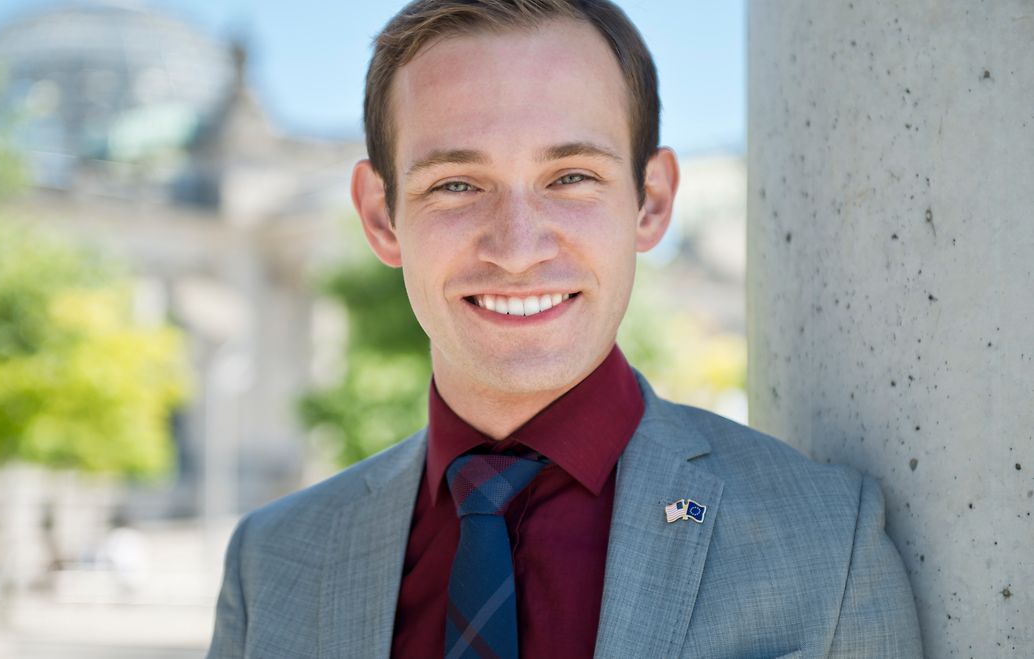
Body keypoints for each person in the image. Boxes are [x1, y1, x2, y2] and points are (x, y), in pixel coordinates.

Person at [207, 1, 923, 657]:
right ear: (379, 215)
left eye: (572, 177)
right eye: (456, 184)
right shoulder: (271, 566)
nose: (517, 248)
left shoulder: (830, 544)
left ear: (650, 202)